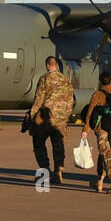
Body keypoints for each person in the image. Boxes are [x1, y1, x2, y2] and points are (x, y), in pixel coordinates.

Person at [26, 56, 73, 184]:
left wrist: (32, 116)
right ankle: (58, 170)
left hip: (47, 118)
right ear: (57, 65)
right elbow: (71, 100)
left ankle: (45, 171)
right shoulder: (65, 80)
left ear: (47, 66)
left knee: (38, 143)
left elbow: (39, 98)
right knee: (58, 144)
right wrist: (65, 117)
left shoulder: (45, 78)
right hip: (61, 120)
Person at [81, 72, 111, 194]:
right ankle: (100, 181)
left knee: (108, 155)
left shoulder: (97, 95)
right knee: (106, 153)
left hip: (102, 129)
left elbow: (89, 113)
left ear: (99, 82)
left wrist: (85, 130)